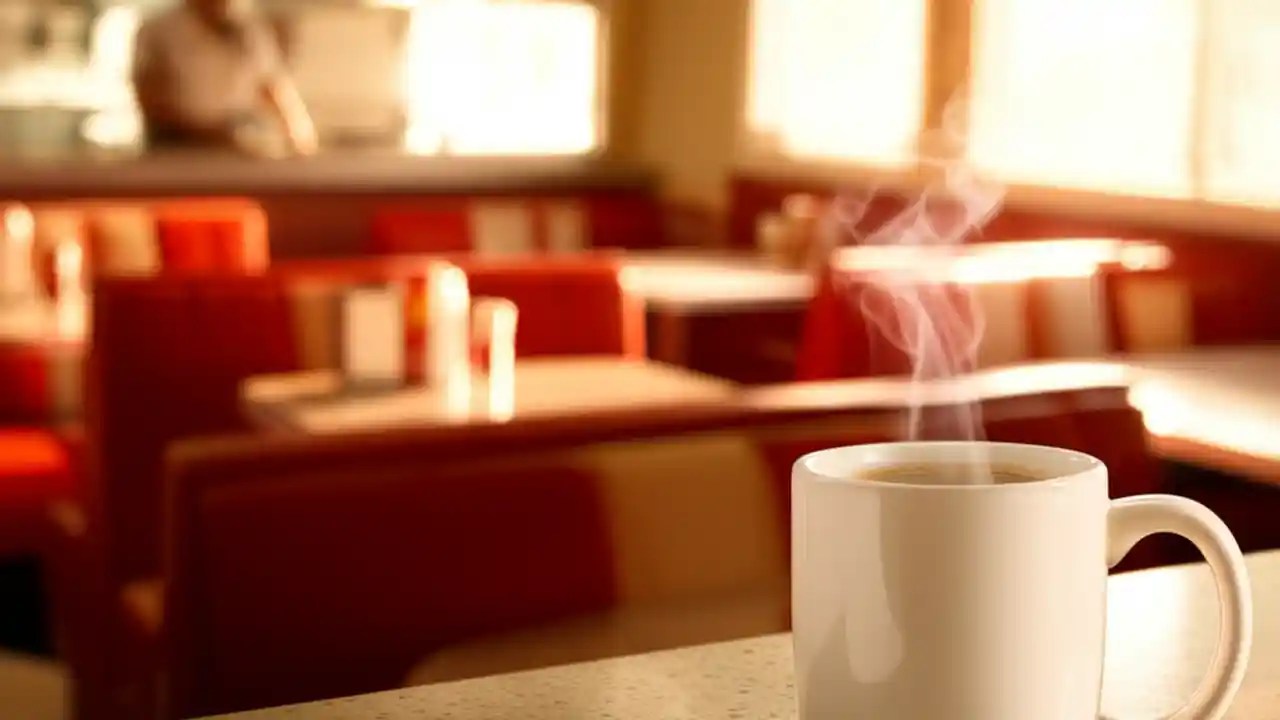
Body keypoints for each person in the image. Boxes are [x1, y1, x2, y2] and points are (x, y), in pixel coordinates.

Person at [132, 0, 317, 155]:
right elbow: (151, 102)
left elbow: (273, 85)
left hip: (240, 148)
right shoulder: (158, 31)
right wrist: (212, 135)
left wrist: (297, 132)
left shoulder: (249, 29)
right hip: (178, 151)